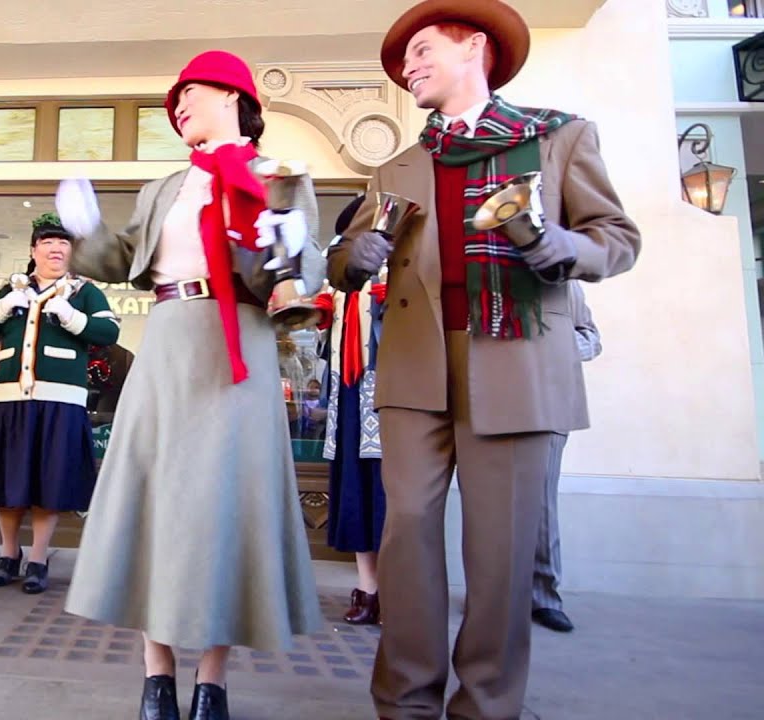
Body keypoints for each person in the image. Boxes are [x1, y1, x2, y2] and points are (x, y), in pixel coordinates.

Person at [328, 2, 641, 717]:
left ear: (474, 47)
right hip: (414, 364)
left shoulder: (556, 138)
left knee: (501, 550)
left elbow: (617, 237)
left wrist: (567, 247)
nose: (407, 68)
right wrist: (354, 256)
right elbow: (344, 261)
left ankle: (488, 703)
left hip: (516, 361)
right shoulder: (399, 165)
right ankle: (405, 701)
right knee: (406, 531)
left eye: (421, 51)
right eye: (403, 61)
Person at [56, 50, 324, 720]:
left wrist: (289, 246)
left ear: (233, 95)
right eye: (174, 100)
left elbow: (300, 274)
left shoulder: (277, 176)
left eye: (189, 93)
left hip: (240, 345)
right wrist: (85, 230)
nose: (178, 106)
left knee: (226, 506)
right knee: (158, 503)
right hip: (170, 341)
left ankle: (213, 680)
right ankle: (156, 678)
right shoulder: (164, 188)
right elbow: (123, 259)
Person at [0, 213, 120, 594]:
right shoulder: (11, 290)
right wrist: (3, 308)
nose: (56, 249)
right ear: (33, 250)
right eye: (48, 242)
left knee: (49, 482)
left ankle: (38, 558)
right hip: (11, 400)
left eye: (63, 243)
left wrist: (71, 317)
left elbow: (108, 332)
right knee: (7, 481)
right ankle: (9, 553)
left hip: (61, 402)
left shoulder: (85, 292)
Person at [322, 194, 387, 626]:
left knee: (392, 495)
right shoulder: (338, 280)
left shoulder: (398, 271)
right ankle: (368, 588)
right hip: (347, 393)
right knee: (355, 490)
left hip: (389, 392)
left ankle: (398, 588)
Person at [532, 280, 602, 633]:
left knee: (542, 505)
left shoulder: (565, 282)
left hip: (551, 404)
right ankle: (493, 595)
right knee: (491, 508)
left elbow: (592, 338)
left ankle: (544, 597)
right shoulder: (489, 279)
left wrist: (554, 345)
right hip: (496, 402)